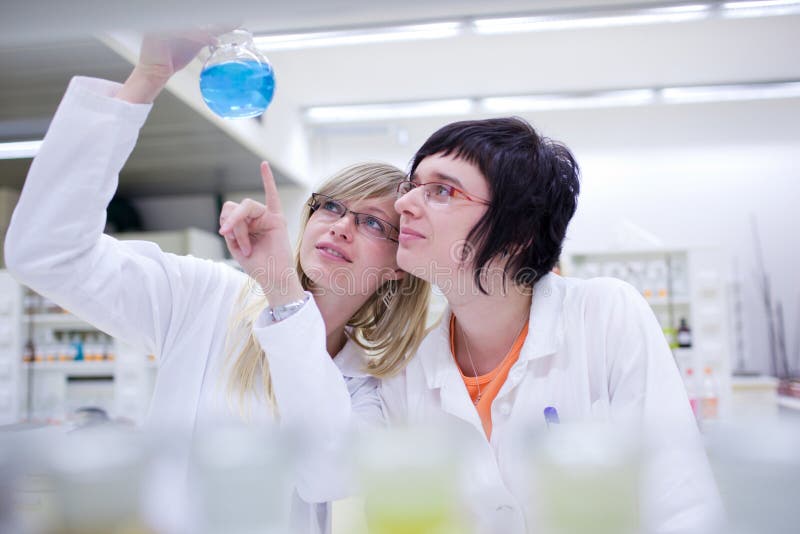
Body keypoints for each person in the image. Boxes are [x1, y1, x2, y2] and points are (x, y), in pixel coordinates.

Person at [2, 30, 429, 534]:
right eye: (332, 206)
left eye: (373, 223)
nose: (340, 225)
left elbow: (325, 473)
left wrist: (285, 294)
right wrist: (148, 78)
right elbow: (46, 254)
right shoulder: (206, 299)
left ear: (400, 262)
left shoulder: (383, 383)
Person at [285, 117, 725, 533]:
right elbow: (326, 474)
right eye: (411, 186)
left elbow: (682, 506)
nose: (404, 205)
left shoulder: (605, 315)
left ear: (519, 233)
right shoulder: (407, 371)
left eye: (441, 191)